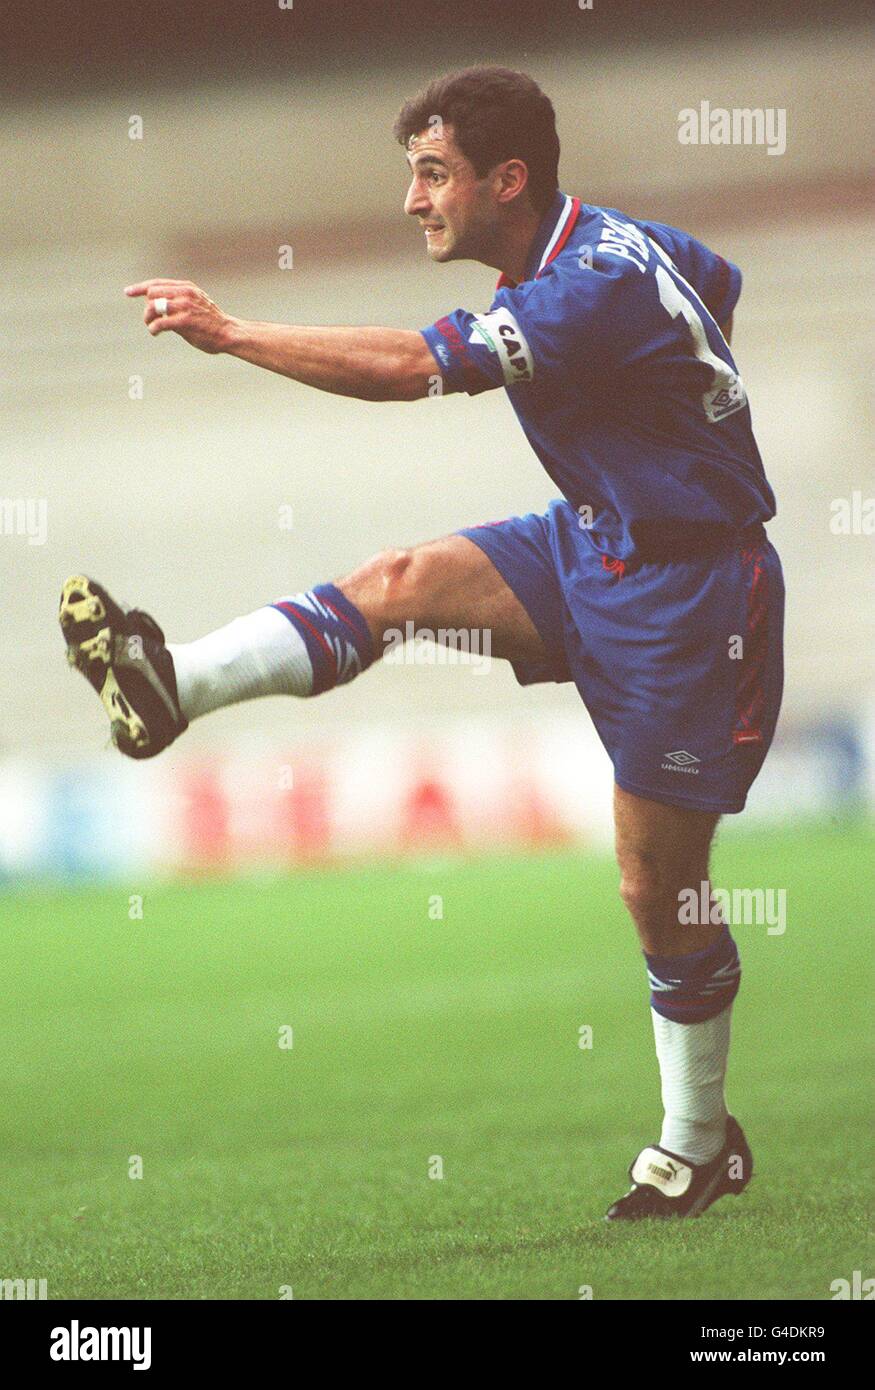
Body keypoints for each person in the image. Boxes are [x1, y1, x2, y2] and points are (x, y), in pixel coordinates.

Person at [60, 65, 784, 1220]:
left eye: (433, 174)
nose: (412, 200)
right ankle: (169, 685)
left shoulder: (585, 287)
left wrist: (229, 330)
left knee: (659, 889)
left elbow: (409, 369)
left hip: (689, 592)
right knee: (394, 585)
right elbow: (715, 288)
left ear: (508, 179)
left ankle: (699, 1142)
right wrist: (658, 425)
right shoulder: (610, 250)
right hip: (593, 538)